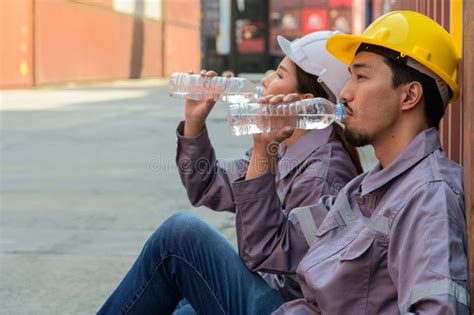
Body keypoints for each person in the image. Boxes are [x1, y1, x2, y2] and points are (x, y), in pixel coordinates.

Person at [98, 10, 469, 314]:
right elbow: (264, 246)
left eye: (361, 76)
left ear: (410, 96)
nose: (345, 92)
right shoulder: (365, 189)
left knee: (181, 235)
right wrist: (259, 149)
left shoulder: (425, 195)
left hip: (275, 301)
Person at [98, 30, 361, 315]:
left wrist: (261, 155)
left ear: (304, 101)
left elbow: (271, 251)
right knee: (178, 302)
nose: (265, 80)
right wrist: (195, 122)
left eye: (279, 76)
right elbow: (208, 185)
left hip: (287, 306)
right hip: (267, 289)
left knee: (181, 234)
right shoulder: (282, 147)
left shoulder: (323, 174)